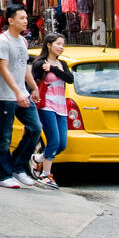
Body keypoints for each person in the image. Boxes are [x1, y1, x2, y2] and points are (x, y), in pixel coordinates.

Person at [0, 4, 44, 189]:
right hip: (5, 96)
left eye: (26, 18)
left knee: (35, 128)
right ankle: (4, 175)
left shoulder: (23, 41)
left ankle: (18, 167)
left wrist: (33, 87)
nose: (25, 21)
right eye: (21, 18)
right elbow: (4, 70)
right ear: (10, 20)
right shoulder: (2, 42)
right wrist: (17, 92)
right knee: (5, 136)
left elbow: (24, 68)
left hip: (22, 93)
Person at [31, 33, 74, 189]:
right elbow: (32, 83)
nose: (61, 47)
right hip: (46, 106)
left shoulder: (62, 63)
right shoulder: (39, 63)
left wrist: (54, 69)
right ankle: (45, 175)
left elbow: (70, 79)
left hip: (61, 106)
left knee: (62, 144)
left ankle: (38, 159)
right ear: (48, 45)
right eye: (58, 44)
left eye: (63, 44)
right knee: (54, 141)